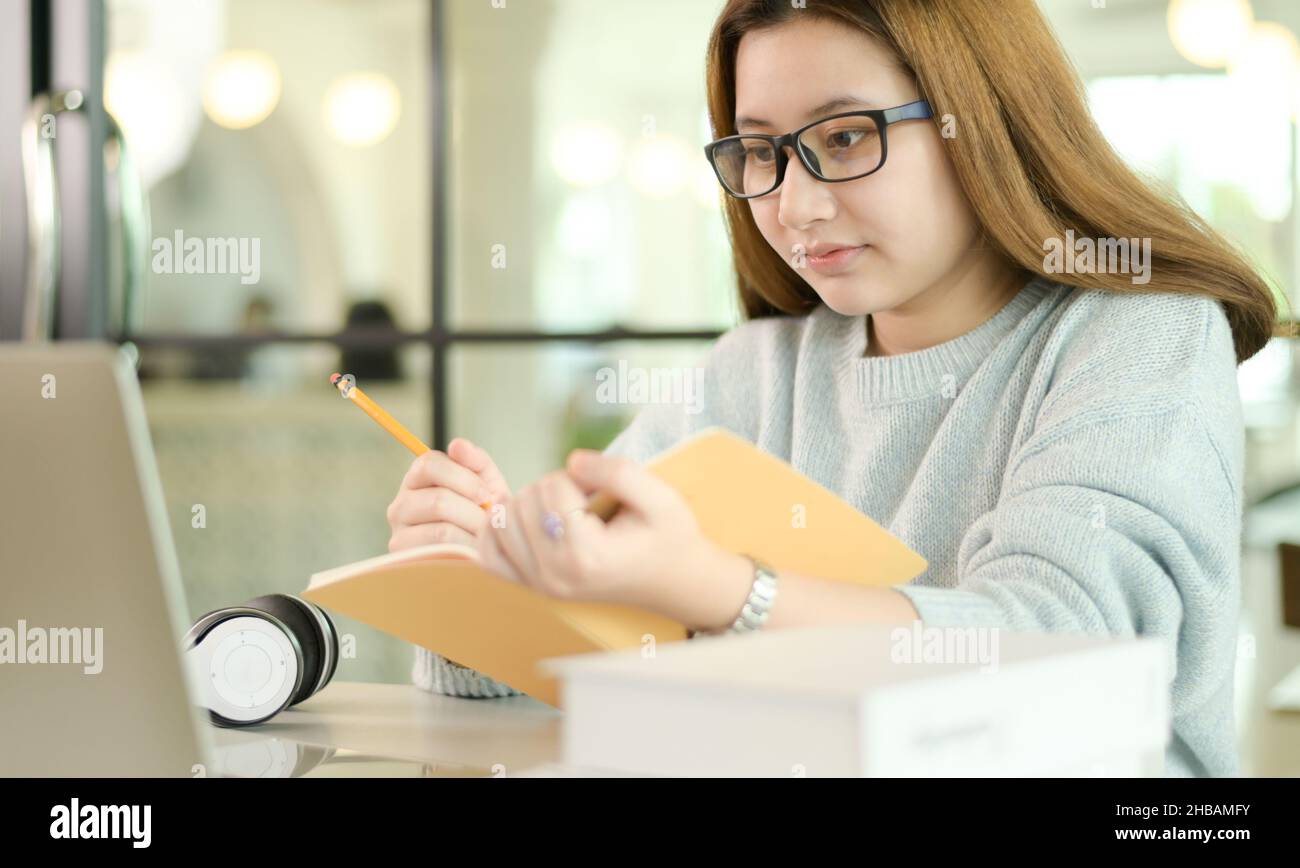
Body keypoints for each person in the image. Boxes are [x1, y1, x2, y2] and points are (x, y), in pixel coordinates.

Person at [387, 0, 1292, 776]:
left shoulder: (1139, 333)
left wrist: (722, 593)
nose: (792, 206)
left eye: (846, 136)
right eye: (761, 152)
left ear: (980, 115)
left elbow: (1057, 646)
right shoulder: (754, 372)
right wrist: (476, 576)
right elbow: (533, 672)